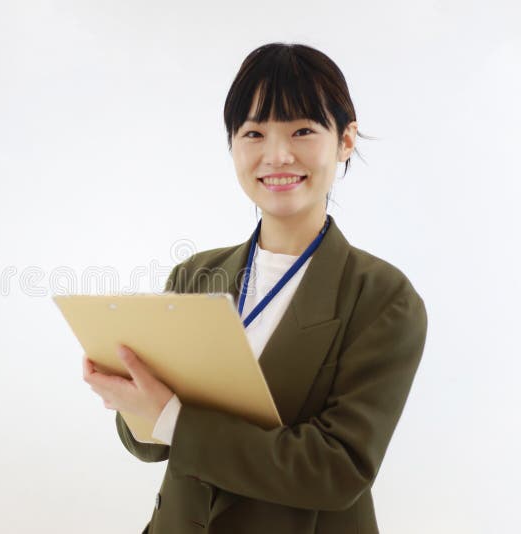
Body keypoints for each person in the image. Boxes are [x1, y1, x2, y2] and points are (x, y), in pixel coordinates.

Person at [82, 42, 428, 534]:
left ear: (345, 140)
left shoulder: (383, 298)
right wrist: (129, 395)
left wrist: (172, 419)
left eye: (303, 130)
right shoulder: (195, 276)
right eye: (254, 133)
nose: (277, 155)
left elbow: (336, 469)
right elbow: (147, 444)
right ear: (232, 145)